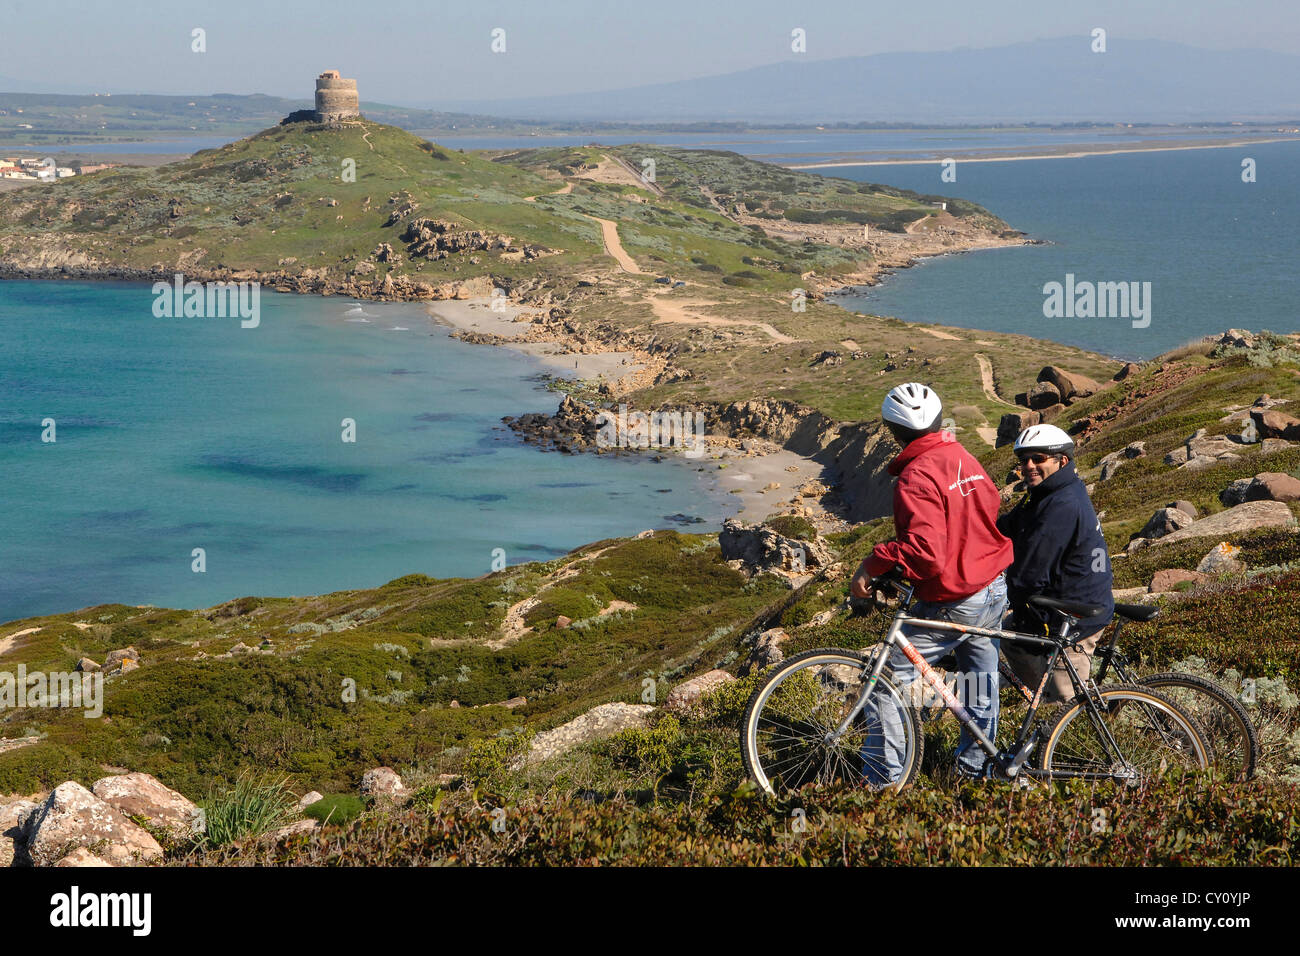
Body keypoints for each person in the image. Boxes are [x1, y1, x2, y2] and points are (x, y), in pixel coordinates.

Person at [850, 383, 1013, 782]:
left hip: (956, 596)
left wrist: (873, 566)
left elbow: (925, 551)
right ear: (939, 420)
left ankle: (884, 784)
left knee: (884, 683)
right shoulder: (962, 456)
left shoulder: (915, 476)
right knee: (980, 682)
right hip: (992, 586)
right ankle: (977, 771)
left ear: (893, 432)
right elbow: (989, 505)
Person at [997, 424, 1114, 704]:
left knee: (1066, 709)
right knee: (1012, 639)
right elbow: (1004, 528)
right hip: (1055, 605)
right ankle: (1041, 702)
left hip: (1074, 615)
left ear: (1062, 461)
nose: (1028, 466)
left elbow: (1031, 572)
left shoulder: (1062, 504)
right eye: (1024, 460)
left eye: (1038, 459)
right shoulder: (1045, 494)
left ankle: (1068, 734)